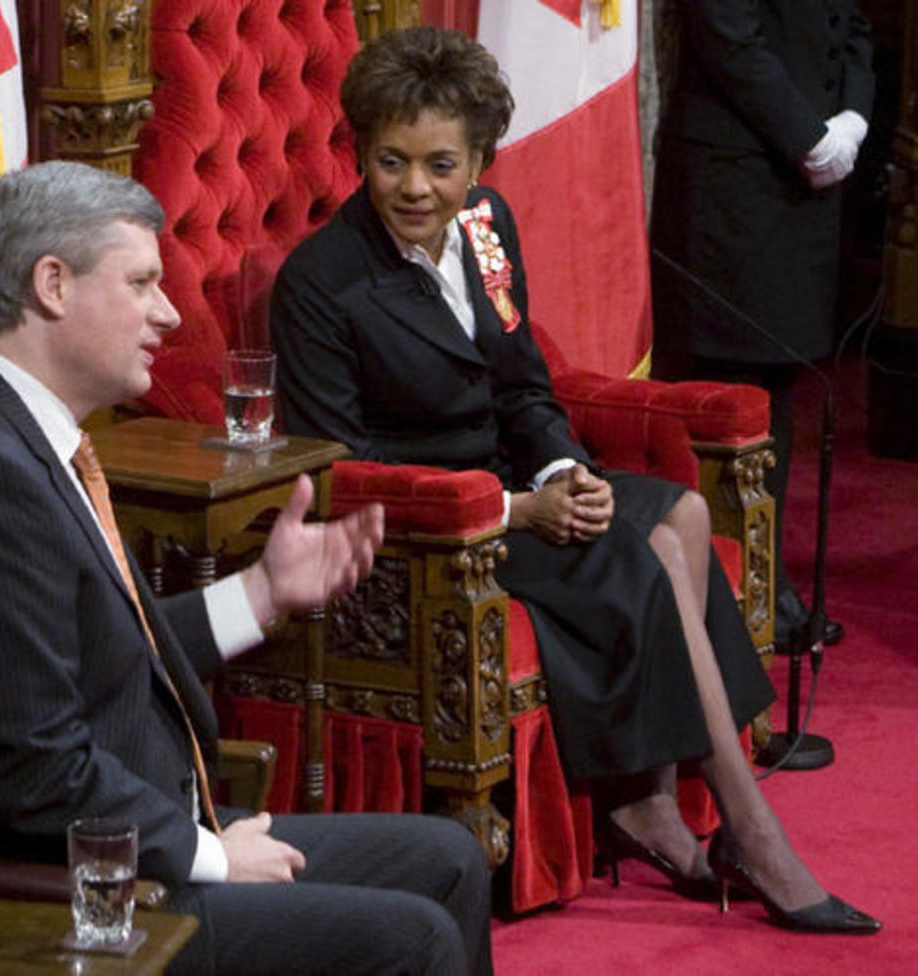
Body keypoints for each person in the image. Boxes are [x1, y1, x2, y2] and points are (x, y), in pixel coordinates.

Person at [271, 25, 879, 934]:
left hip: (520, 484)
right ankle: (745, 827)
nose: (414, 188)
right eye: (391, 162)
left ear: (478, 161)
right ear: (361, 150)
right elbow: (338, 465)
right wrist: (521, 505)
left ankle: (657, 804)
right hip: (440, 526)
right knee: (642, 558)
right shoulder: (319, 281)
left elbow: (523, 383)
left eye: (441, 164)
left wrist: (563, 466)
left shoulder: (485, 228)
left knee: (674, 513)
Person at [0, 160, 494, 975]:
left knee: (449, 858)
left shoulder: (21, 439)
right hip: (48, 893)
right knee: (412, 939)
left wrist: (262, 593)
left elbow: (103, 651)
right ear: (52, 285)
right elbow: (24, 770)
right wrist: (209, 856)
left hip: (132, 842)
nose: (170, 312)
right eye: (143, 283)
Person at [650, 0, 874, 649]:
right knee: (733, 389)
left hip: (804, 179)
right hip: (737, 177)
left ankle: (764, 576)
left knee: (776, 390)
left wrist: (853, 120)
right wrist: (807, 135)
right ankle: (726, 592)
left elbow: (851, 22)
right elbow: (728, 35)